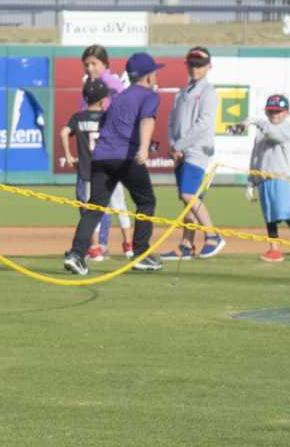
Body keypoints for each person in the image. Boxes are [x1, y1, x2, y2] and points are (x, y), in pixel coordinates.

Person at [62, 51, 162, 275]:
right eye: (155, 72)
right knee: (146, 201)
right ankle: (140, 254)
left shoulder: (119, 97)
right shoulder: (149, 95)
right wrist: (144, 147)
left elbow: (105, 124)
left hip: (101, 157)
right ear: (148, 76)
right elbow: (147, 120)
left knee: (95, 206)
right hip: (125, 156)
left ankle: (76, 255)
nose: (156, 76)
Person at [161, 46, 227, 260]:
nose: (195, 69)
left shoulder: (208, 92)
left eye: (200, 65)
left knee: (189, 195)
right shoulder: (181, 92)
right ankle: (186, 245)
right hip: (181, 150)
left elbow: (204, 124)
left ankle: (213, 236)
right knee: (187, 201)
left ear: (209, 67)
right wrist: (174, 145)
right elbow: (171, 122)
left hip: (197, 149)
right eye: (192, 65)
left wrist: (179, 145)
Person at [79, 45, 130, 257]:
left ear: (105, 64)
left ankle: (102, 245)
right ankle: (97, 245)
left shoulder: (113, 85)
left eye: (94, 64)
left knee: (108, 200)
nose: (90, 68)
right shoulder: (89, 85)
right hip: (92, 154)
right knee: (91, 199)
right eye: (87, 64)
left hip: (110, 152)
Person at [247, 94, 290, 262]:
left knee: (283, 211)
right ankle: (274, 249)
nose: (274, 114)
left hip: (280, 177)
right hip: (263, 179)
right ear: (266, 112)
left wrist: (257, 122)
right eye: (271, 111)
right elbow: (255, 156)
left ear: (287, 113)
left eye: (278, 111)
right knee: (269, 216)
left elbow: (275, 135)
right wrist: (250, 182)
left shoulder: (287, 128)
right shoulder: (261, 132)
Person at [59, 74, 114, 259]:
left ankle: (95, 247)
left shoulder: (78, 117)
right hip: (105, 172)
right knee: (100, 208)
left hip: (85, 172)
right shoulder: (107, 118)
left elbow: (63, 133)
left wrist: (68, 155)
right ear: (102, 101)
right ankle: (99, 246)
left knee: (87, 210)